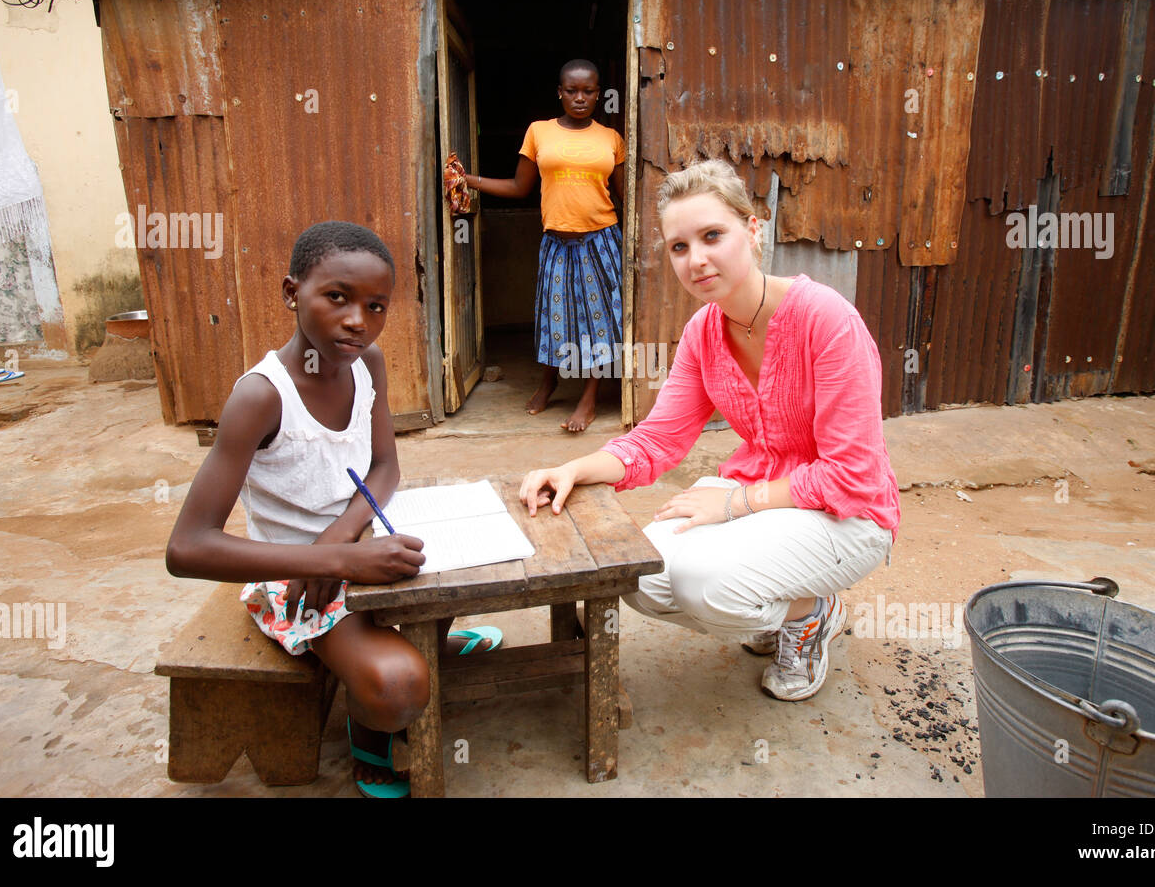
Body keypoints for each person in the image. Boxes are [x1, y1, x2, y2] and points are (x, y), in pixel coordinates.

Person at [519, 161, 900, 702]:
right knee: (640, 576)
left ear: (753, 231)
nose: (696, 260)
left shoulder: (825, 319)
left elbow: (852, 474)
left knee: (708, 585)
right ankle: (779, 606)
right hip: (765, 497)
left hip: (848, 513)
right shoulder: (704, 331)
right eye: (679, 246)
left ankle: (813, 610)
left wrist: (735, 504)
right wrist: (572, 469)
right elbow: (656, 441)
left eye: (712, 236)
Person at [165, 221, 500, 797]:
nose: (357, 322)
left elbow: (385, 470)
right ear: (292, 292)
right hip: (292, 577)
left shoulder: (367, 365)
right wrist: (331, 562)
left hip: (345, 548)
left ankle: (429, 640)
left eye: (375, 307)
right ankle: (368, 722)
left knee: (470, 557)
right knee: (397, 690)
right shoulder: (262, 396)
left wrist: (340, 543)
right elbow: (186, 547)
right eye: (337, 298)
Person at [464, 58, 625, 432]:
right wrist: (469, 180)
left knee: (600, 321)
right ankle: (550, 380)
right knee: (555, 318)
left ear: (599, 94)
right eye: (572, 90)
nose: (580, 98)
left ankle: (589, 397)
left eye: (588, 91)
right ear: (560, 92)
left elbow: (623, 197)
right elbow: (519, 188)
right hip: (556, 241)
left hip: (601, 241)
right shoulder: (539, 132)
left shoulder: (611, 138)